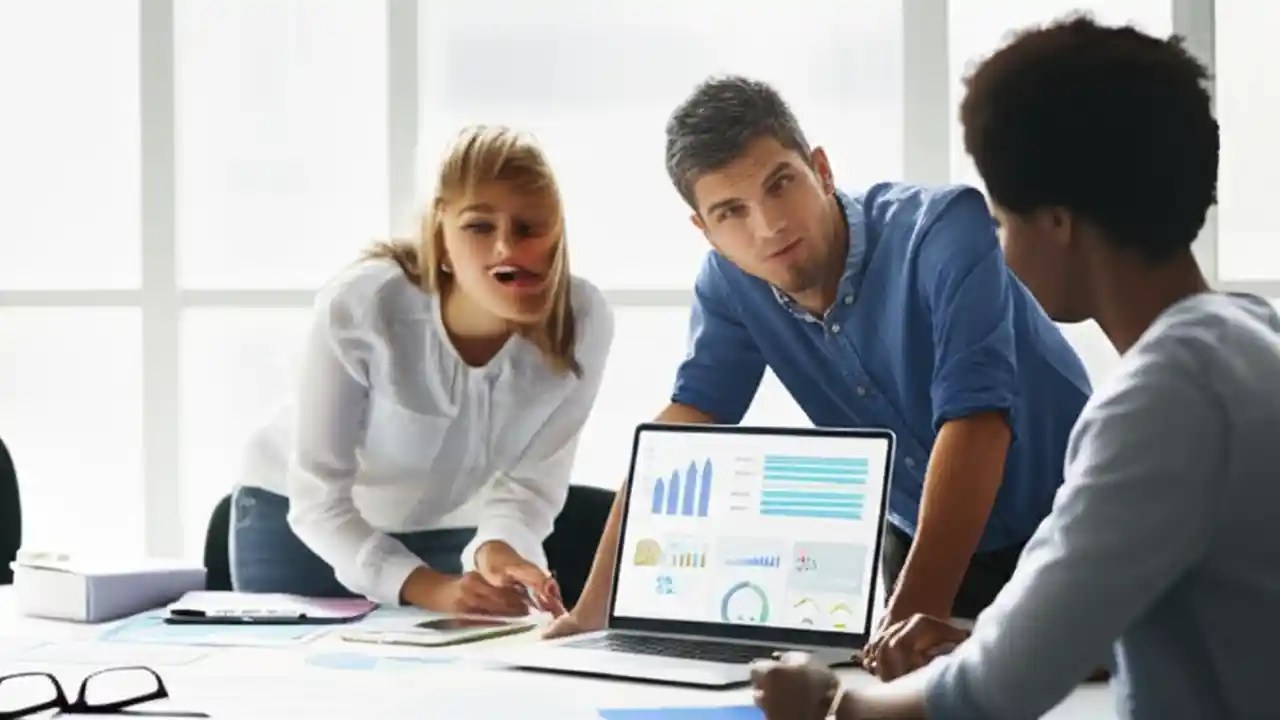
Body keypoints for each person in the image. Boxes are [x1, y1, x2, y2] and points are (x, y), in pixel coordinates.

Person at [749, 16, 1280, 719]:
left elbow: (991, 695)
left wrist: (832, 704)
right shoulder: (1250, 334)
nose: (997, 248)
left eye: (1001, 222)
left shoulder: (1164, 396)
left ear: (1057, 224)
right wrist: (981, 634)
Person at [545, 76, 1091, 642]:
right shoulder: (730, 285)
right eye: (731, 211)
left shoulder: (943, 229)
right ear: (704, 229)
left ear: (821, 169)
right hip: (931, 545)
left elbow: (976, 421)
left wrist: (906, 617)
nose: (769, 225)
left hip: (1077, 522)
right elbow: (681, 431)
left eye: (780, 184)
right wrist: (589, 616)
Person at [229, 125, 614, 617]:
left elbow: (530, 485)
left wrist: (498, 549)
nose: (505, 248)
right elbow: (319, 500)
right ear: (441, 233)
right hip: (298, 528)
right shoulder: (365, 307)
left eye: (529, 228)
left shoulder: (583, 322)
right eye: (479, 227)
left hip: (444, 531)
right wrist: (430, 588)